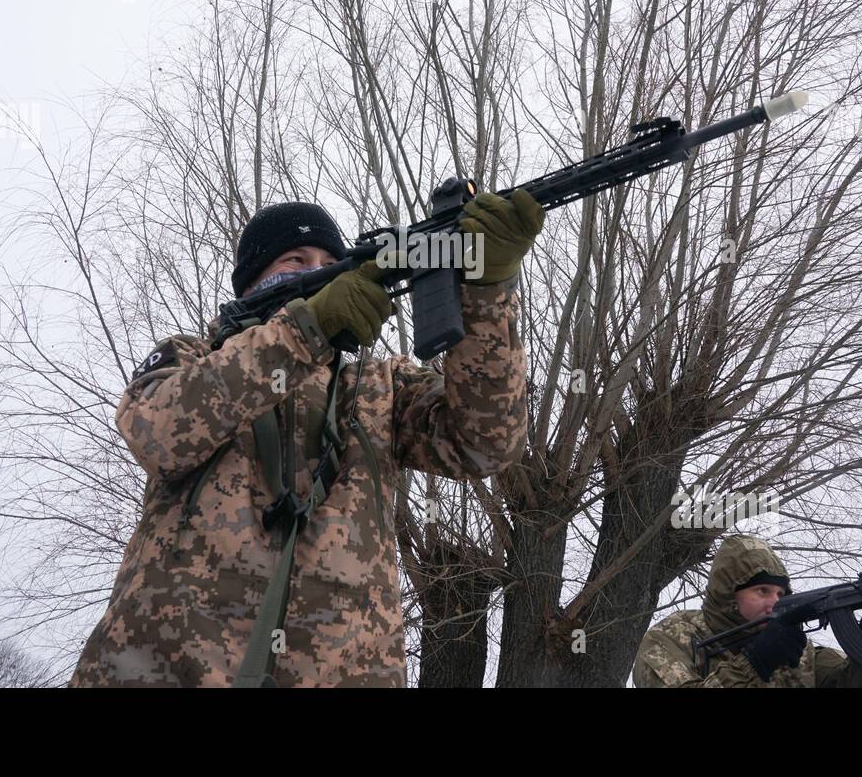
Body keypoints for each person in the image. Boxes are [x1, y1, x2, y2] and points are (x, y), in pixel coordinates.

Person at [70, 191, 543, 686]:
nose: (315, 270)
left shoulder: (379, 388)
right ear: (252, 283)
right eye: (295, 260)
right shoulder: (191, 357)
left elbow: (485, 443)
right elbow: (159, 434)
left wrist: (488, 292)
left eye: (330, 262)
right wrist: (303, 331)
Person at [633, 535, 862, 687]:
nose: (774, 602)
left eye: (781, 593)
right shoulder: (673, 638)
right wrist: (755, 663)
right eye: (761, 591)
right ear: (728, 594)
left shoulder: (802, 656)